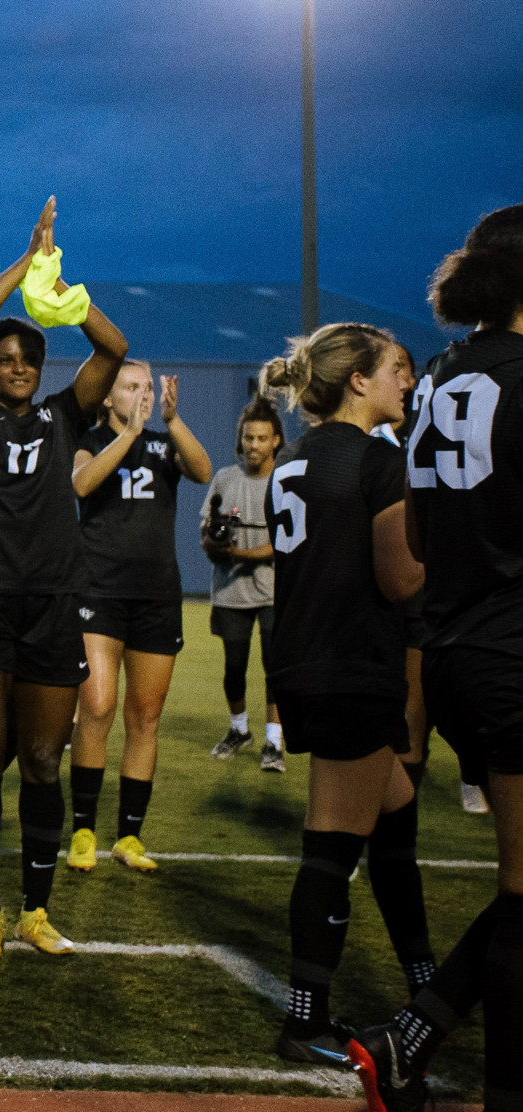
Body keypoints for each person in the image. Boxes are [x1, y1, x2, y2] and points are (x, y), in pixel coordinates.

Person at [342, 203, 523, 1112]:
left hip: (454, 644)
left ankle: (412, 1036)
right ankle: (449, 1060)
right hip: (510, 645)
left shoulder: (446, 374)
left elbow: (413, 536)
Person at [0, 198, 128, 961]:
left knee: (43, 761)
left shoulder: (63, 417)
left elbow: (112, 351)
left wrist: (62, 296)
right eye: (6, 357)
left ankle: (35, 911)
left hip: (52, 606)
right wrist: (22, 264)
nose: (18, 364)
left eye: (30, 358)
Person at [254, 323, 433, 1068]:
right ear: (358, 378)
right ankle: (307, 1018)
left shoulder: (291, 460)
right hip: (351, 663)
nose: (407, 382)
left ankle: (425, 976)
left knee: (395, 814)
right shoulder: (377, 460)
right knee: (331, 844)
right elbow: (401, 580)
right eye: (395, 368)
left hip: (303, 662)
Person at [67, 362, 212, 873]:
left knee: (145, 717)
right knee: (98, 706)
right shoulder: (86, 438)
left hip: (156, 597)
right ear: (107, 396)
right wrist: (126, 434)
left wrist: (171, 421)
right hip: (99, 593)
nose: (144, 394)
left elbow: (202, 470)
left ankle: (129, 836)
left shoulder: (162, 442)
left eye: (149, 387)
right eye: (132, 386)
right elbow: (82, 484)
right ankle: (83, 829)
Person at [201, 397, 285, 768]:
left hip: (273, 592)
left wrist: (238, 555)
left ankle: (273, 742)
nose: (254, 445)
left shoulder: (283, 481)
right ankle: (239, 730)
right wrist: (214, 544)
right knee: (233, 668)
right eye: (249, 438)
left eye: (262, 438)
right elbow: (208, 530)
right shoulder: (224, 478)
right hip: (230, 592)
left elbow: (283, 546)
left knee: (275, 668)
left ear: (276, 441)